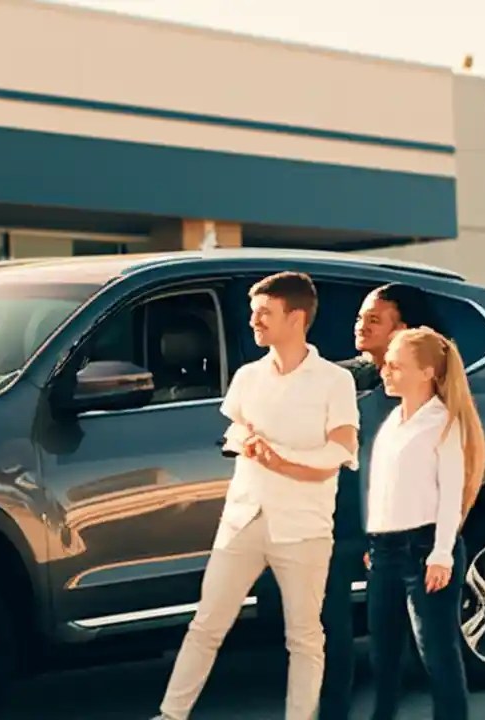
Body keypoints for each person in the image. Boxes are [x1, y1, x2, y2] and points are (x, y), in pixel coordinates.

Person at [154, 272, 360, 720]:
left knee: (304, 637)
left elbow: (341, 450)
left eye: (264, 313)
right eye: (254, 313)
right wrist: (246, 438)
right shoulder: (248, 376)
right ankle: (171, 715)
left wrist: (280, 459)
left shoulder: (333, 381)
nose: (254, 321)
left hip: (304, 527)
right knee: (206, 624)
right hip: (242, 520)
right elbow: (233, 427)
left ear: (297, 317)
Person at [320, 282, 445, 720]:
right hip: (336, 529)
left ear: (405, 330)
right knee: (330, 640)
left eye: (374, 319)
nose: (361, 325)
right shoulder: (339, 377)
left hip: (395, 534)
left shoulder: (429, 393)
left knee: (414, 643)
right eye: (360, 317)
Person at [363, 326, 484, 719]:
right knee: (383, 658)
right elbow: (385, 488)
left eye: (397, 366)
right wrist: (375, 540)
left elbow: (451, 494)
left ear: (427, 372)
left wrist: (442, 554)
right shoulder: (393, 421)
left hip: (425, 550)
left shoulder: (443, 423)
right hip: (384, 551)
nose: (386, 371)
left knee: (437, 654)